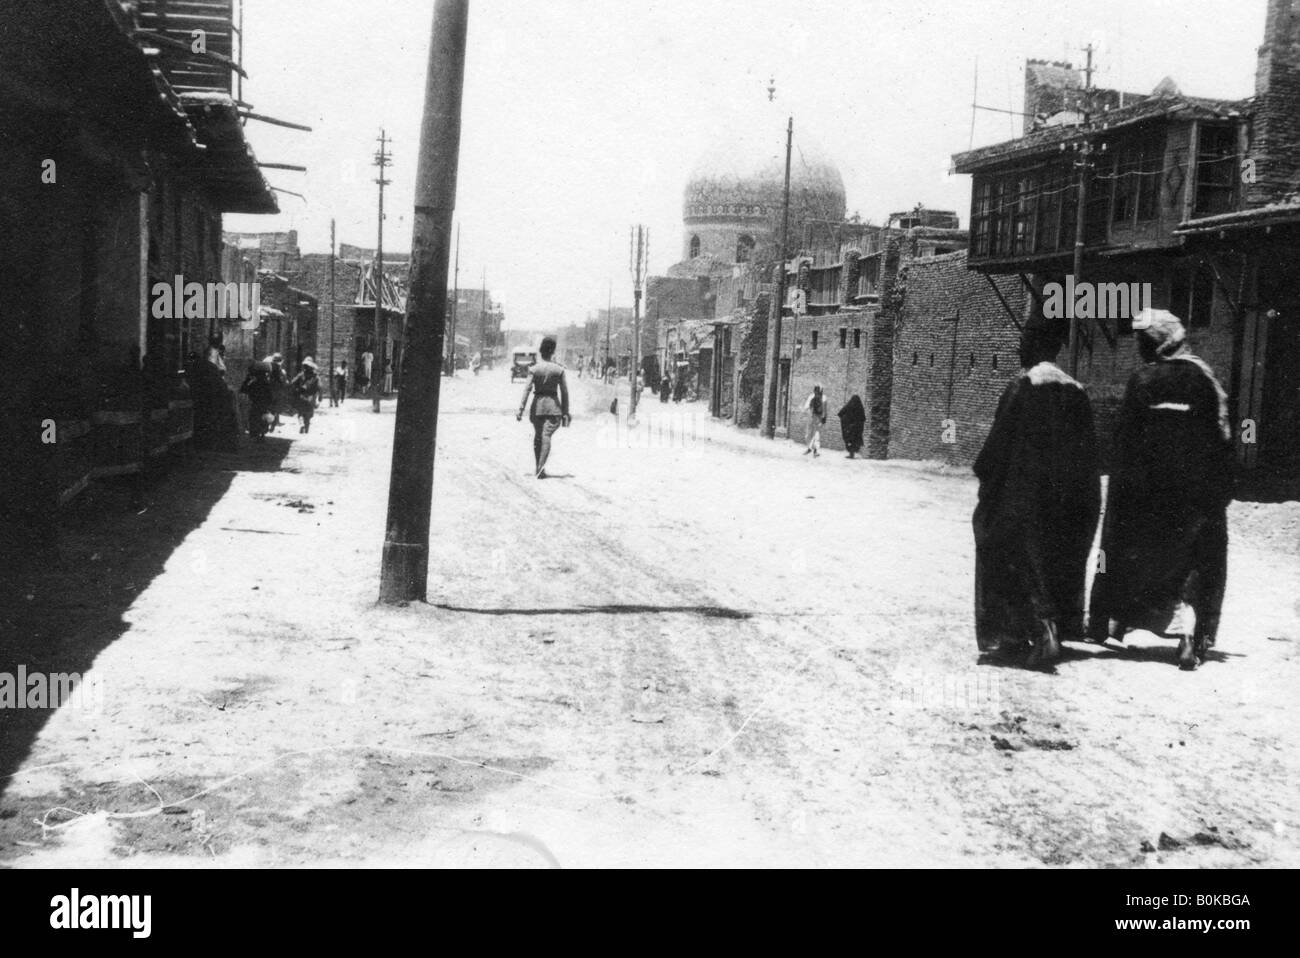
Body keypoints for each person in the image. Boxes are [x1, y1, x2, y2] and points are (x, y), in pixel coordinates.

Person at [1087, 308, 1233, 671]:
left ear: (1155, 343)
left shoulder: (1142, 379)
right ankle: (1189, 638)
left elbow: (1124, 441)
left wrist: (1123, 490)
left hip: (1147, 497)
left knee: (1136, 559)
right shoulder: (1205, 379)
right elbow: (1223, 437)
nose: (1140, 348)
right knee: (1194, 565)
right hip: (1195, 498)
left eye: (1143, 341)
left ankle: (1115, 623)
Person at [973, 320, 1100, 668]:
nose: (1018, 348)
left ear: (1037, 345)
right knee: (1056, 560)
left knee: (1000, 548)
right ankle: (1056, 627)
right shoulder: (1075, 391)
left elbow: (995, 450)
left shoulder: (1022, 388)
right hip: (1065, 501)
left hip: (1022, 499)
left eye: (1024, 340)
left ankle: (1026, 632)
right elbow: (1090, 455)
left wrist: (985, 481)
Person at [516, 335, 570, 479]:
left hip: (537, 407)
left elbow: (526, 390)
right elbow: (564, 393)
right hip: (553, 407)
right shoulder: (559, 370)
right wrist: (565, 412)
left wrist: (521, 410)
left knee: (538, 436)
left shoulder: (534, 369)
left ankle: (538, 467)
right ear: (552, 352)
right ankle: (541, 467)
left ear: (541, 352)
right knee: (546, 436)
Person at [240, 361, 275, 441]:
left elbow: (244, 389)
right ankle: (262, 433)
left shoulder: (253, 382)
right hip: (264, 404)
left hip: (255, 403)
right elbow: (270, 395)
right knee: (263, 419)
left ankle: (256, 434)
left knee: (254, 418)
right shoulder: (267, 383)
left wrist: (247, 380)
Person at [290, 357, 322, 434]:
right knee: (308, 415)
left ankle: (301, 424)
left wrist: (294, 390)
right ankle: (306, 429)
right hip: (311, 398)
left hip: (301, 396)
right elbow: (320, 387)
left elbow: (293, 382)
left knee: (300, 413)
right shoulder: (316, 377)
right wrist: (320, 396)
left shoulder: (301, 374)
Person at [837, 394, 866, 458]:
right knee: (854, 440)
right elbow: (863, 418)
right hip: (856, 429)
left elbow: (840, 413)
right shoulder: (860, 407)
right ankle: (852, 453)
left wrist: (846, 420)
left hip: (849, 428)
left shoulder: (849, 405)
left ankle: (851, 453)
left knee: (849, 440)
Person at [802, 385, 828, 457]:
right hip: (811, 416)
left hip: (818, 418)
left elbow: (824, 409)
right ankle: (810, 448)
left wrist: (823, 419)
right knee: (809, 433)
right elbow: (806, 406)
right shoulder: (811, 396)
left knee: (816, 434)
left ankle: (815, 450)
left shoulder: (823, 398)